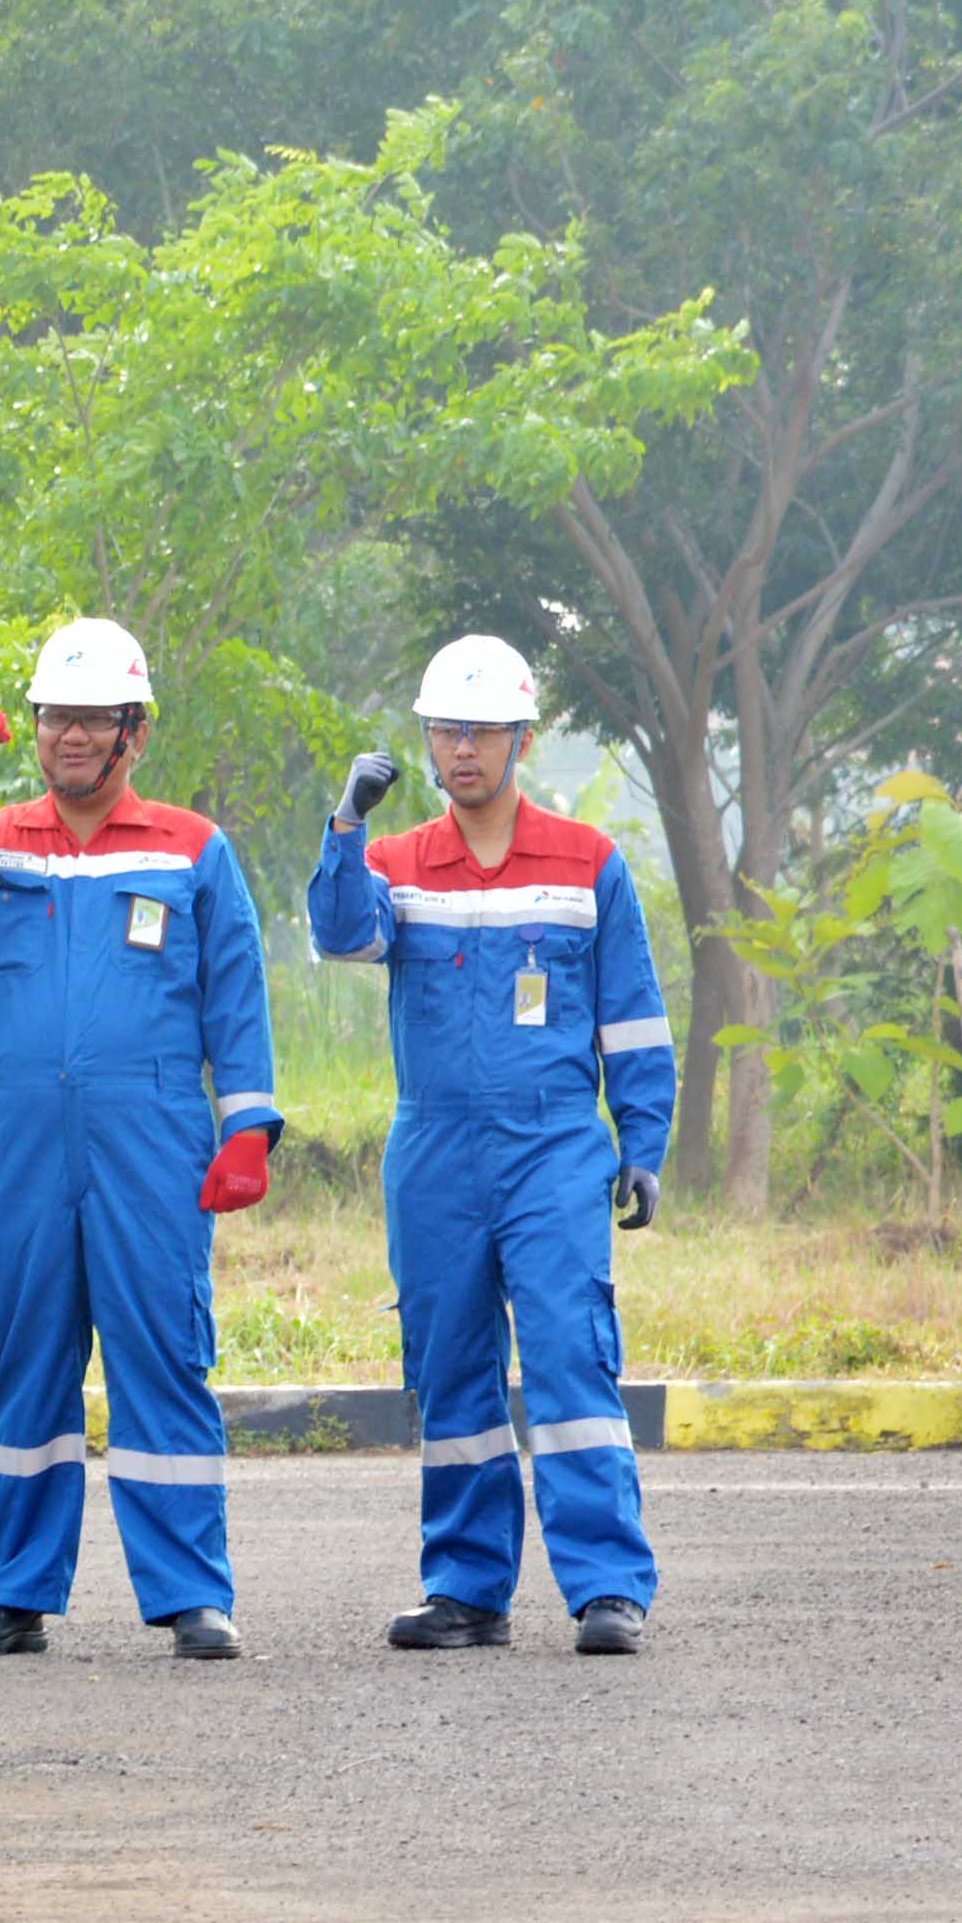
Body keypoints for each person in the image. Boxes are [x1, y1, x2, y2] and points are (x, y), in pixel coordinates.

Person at [0, 617, 280, 1661]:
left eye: (89, 719)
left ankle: (191, 1593)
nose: (64, 736)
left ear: (131, 735)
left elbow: (234, 996)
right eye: (53, 715)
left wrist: (246, 1132)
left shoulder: (191, 849)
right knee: (23, 1357)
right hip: (16, 1135)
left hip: (149, 1135)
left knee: (160, 1352)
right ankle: (12, 1593)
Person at [310, 635, 672, 1655]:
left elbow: (632, 1019)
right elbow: (340, 937)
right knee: (449, 1364)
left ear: (521, 737)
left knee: (568, 1355)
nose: (460, 749)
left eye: (479, 731)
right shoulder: (396, 864)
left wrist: (640, 1141)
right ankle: (466, 1586)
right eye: (444, 730)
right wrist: (343, 826)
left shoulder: (585, 863)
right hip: (432, 1150)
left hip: (552, 1148)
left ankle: (605, 1586)